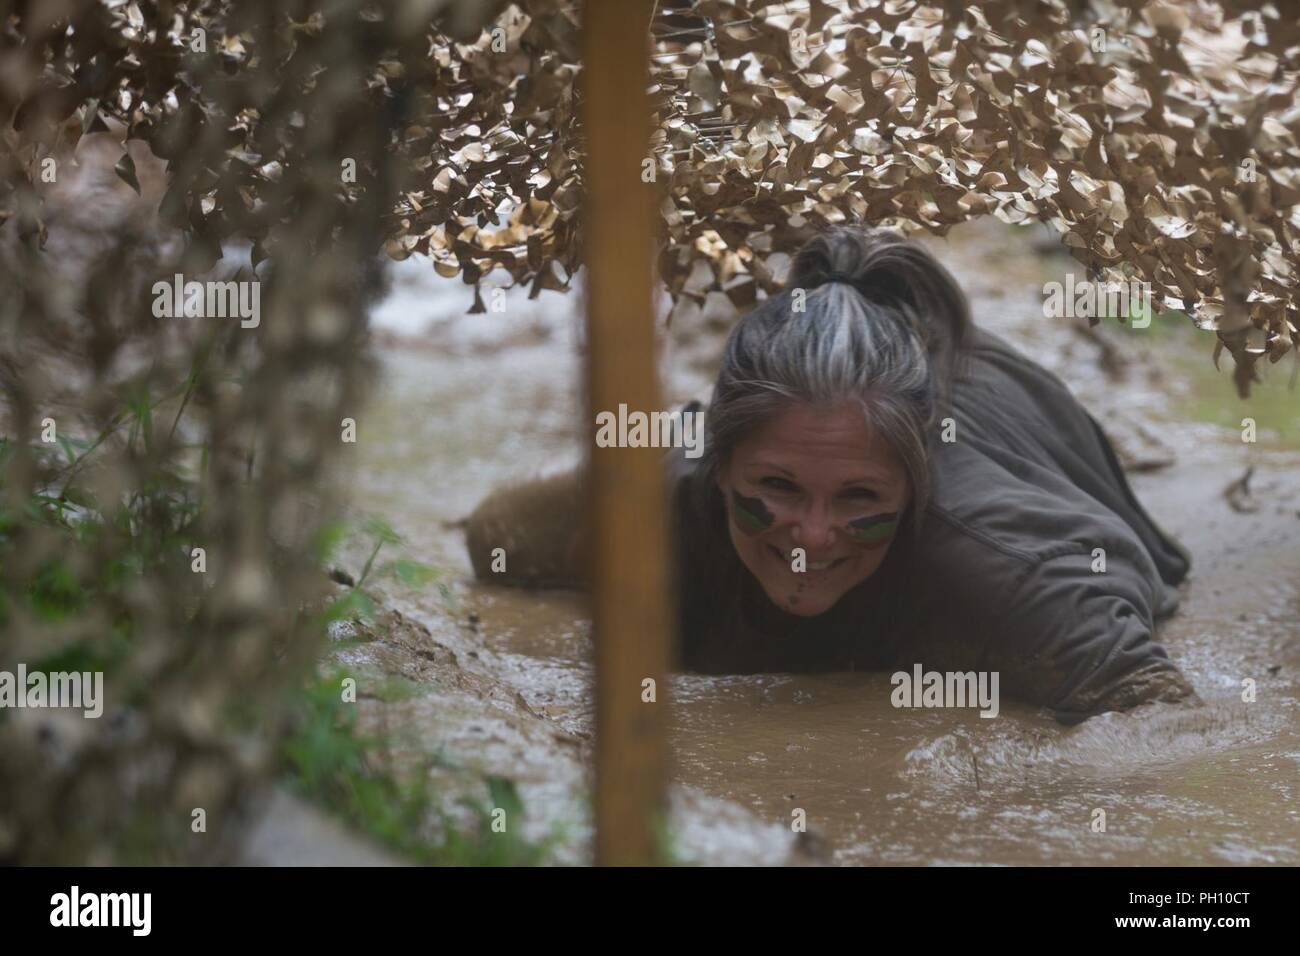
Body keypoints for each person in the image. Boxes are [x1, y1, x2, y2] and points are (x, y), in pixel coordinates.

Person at [464, 226, 1199, 724]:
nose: (812, 538)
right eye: (776, 489)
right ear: (716, 462)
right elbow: (494, 538)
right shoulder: (656, 496)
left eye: (860, 498)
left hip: (1010, 406)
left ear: (915, 484)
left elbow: (1162, 719)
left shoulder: (1008, 573)